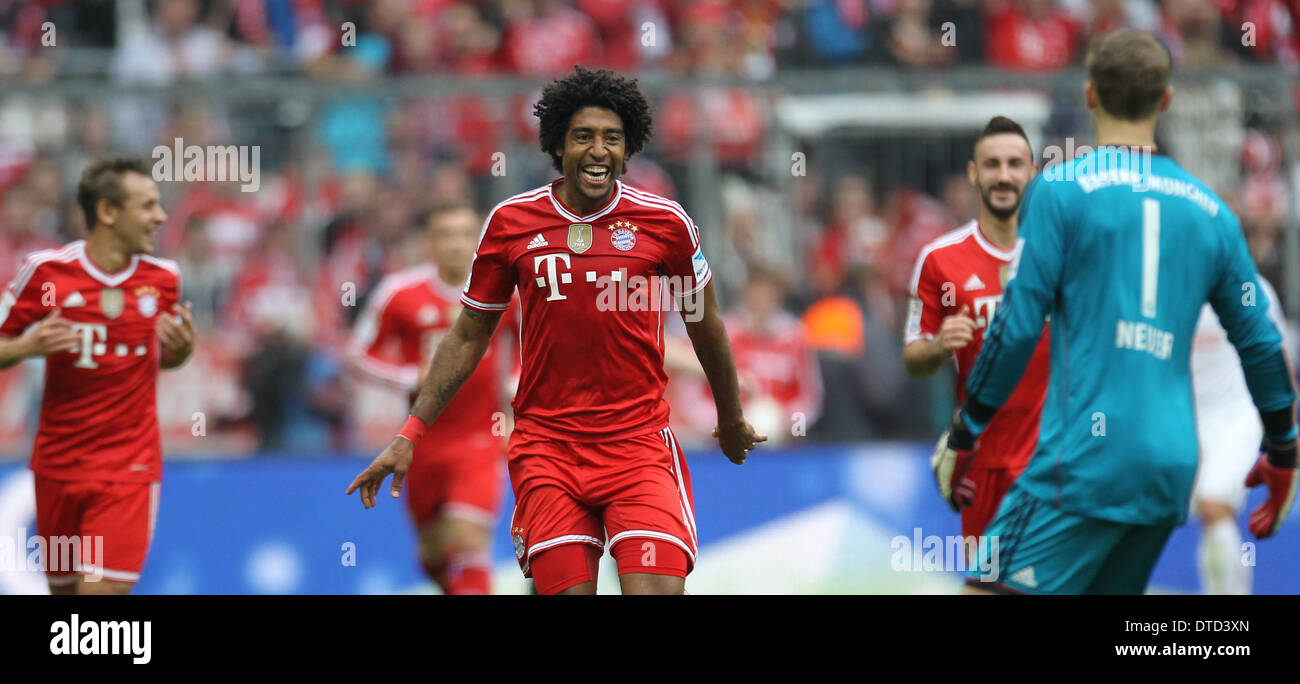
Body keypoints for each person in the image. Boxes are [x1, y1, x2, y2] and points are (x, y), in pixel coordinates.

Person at [347, 66, 766, 595]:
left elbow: (705, 327)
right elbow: (470, 333)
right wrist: (411, 431)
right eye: (583, 136)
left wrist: (730, 418)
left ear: (628, 146)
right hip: (548, 449)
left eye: (612, 138)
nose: (598, 150)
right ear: (558, 145)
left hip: (638, 445)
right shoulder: (511, 222)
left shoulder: (666, 224)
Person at [937, 29, 1297, 594]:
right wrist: (1284, 448)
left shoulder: (1061, 189)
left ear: (1089, 95)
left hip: (1083, 463)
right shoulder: (1211, 213)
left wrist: (966, 429)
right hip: (1169, 470)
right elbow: (1260, 341)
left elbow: (1017, 324)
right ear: (1166, 100)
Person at [0, 157, 195, 594]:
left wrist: (181, 353)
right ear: (107, 212)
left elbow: (158, 357)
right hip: (57, 467)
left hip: (128, 468)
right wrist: (26, 347)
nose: (160, 217)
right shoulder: (46, 274)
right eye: (147, 206)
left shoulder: (163, 280)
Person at [349, 200, 514, 595]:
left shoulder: (505, 289)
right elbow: (357, 354)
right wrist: (409, 377)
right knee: (434, 553)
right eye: (445, 235)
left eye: (463, 235)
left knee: (470, 540)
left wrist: (514, 396)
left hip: (480, 439)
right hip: (420, 443)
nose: (456, 245)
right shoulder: (400, 293)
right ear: (430, 242)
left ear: (477, 241)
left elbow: (533, 344)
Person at [905, 115, 1047, 541]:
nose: (1004, 176)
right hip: (983, 465)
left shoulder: (1061, 254)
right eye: (992, 165)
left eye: (1014, 164)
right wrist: (938, 346)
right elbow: (914, 357)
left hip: (1057, 460)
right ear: (973, 173)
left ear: (1032, 171)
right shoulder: (939, 259)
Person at [1190, 276, 1288, 594]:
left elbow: (1278, 356)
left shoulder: (1253, 288)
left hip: (1236, 415)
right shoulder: (1168, 282)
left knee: (1214, 504)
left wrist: (1286, 434)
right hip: (1179, 416)